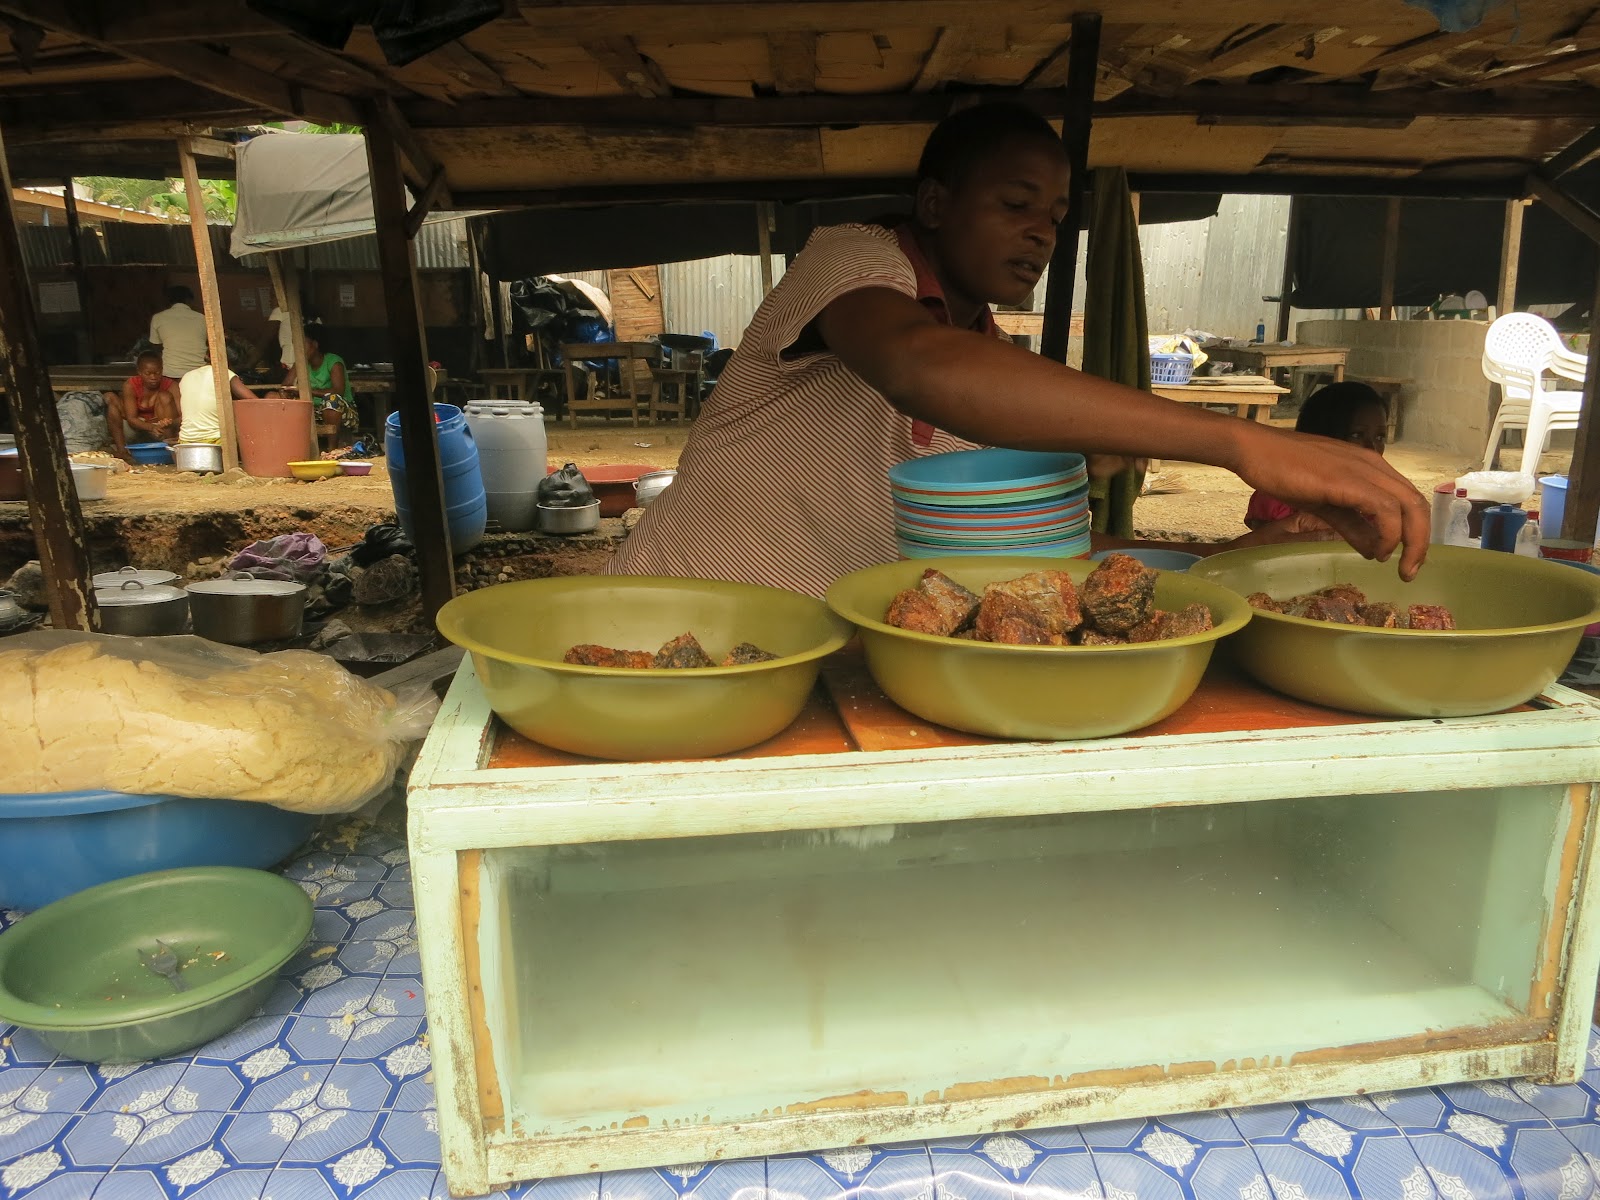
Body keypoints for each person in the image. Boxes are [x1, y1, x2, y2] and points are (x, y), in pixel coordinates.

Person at [608, 103, 1427, 599]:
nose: (1042, 232)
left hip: (819, 660)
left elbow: (1038, 557)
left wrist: (1233, 556)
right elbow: (919, 366)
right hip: (675, 614)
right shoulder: (850, 262)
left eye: (1057, 216)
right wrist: (1240, 443)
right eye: (1015, 204)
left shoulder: (999, 387)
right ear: (935, 204)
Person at [1244, 383, 1390, 530]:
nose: (1372, 449)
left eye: (1380, 437)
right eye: (1357, 435)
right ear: (1322, 437)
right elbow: (1263, 542)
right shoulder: (1278, 497)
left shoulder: (1379, 502)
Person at [105, 351, 179, 460]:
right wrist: (151, 427)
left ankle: (170, 450)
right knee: (112, 401)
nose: (153, 377)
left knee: (164, 396)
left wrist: (169, 423)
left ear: (162, 370)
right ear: (139, 372)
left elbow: (183, 417)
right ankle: (122, 451)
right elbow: (131, 419)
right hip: (137, 427)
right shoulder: (130, 385)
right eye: (148, 373)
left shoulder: (171, 385)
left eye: (157, 373)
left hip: (163, 430)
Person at [177, 356, 256, 445]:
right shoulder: (223, 373)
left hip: (186, 440)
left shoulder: (187, 376)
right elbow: (253, 401)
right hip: (216, 440)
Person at [148, 285, 209, 379]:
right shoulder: (203, 318)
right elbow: (211, 344)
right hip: (199, 372)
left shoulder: (158, 318)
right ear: (189, 300)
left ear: (168, 301)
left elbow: (155, 347)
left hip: (171, 373)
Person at [304, 333, 358, 432]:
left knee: (332, 400)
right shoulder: (301, 362)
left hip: (342, 412)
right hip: (312, 411)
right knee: (278, 398)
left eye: (304, 344)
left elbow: (338, 391)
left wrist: (309, 391)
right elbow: (286, 385)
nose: (300, 349)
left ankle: (332, 442)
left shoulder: (333, 362)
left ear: (315, 344)